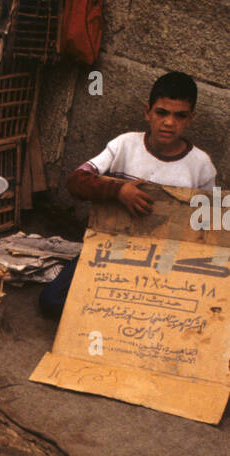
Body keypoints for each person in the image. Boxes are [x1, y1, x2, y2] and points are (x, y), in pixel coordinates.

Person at [40, 72, 216, 316]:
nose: (169, 122)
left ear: (190, 118)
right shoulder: (124, 145)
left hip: (165, 259)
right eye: (162, 112)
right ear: (148, 112)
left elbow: (206, 226)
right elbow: (75, 181)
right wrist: (118, 190)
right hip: (111, 246)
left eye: (180, 116)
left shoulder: (201, 165)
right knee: (52, 300)